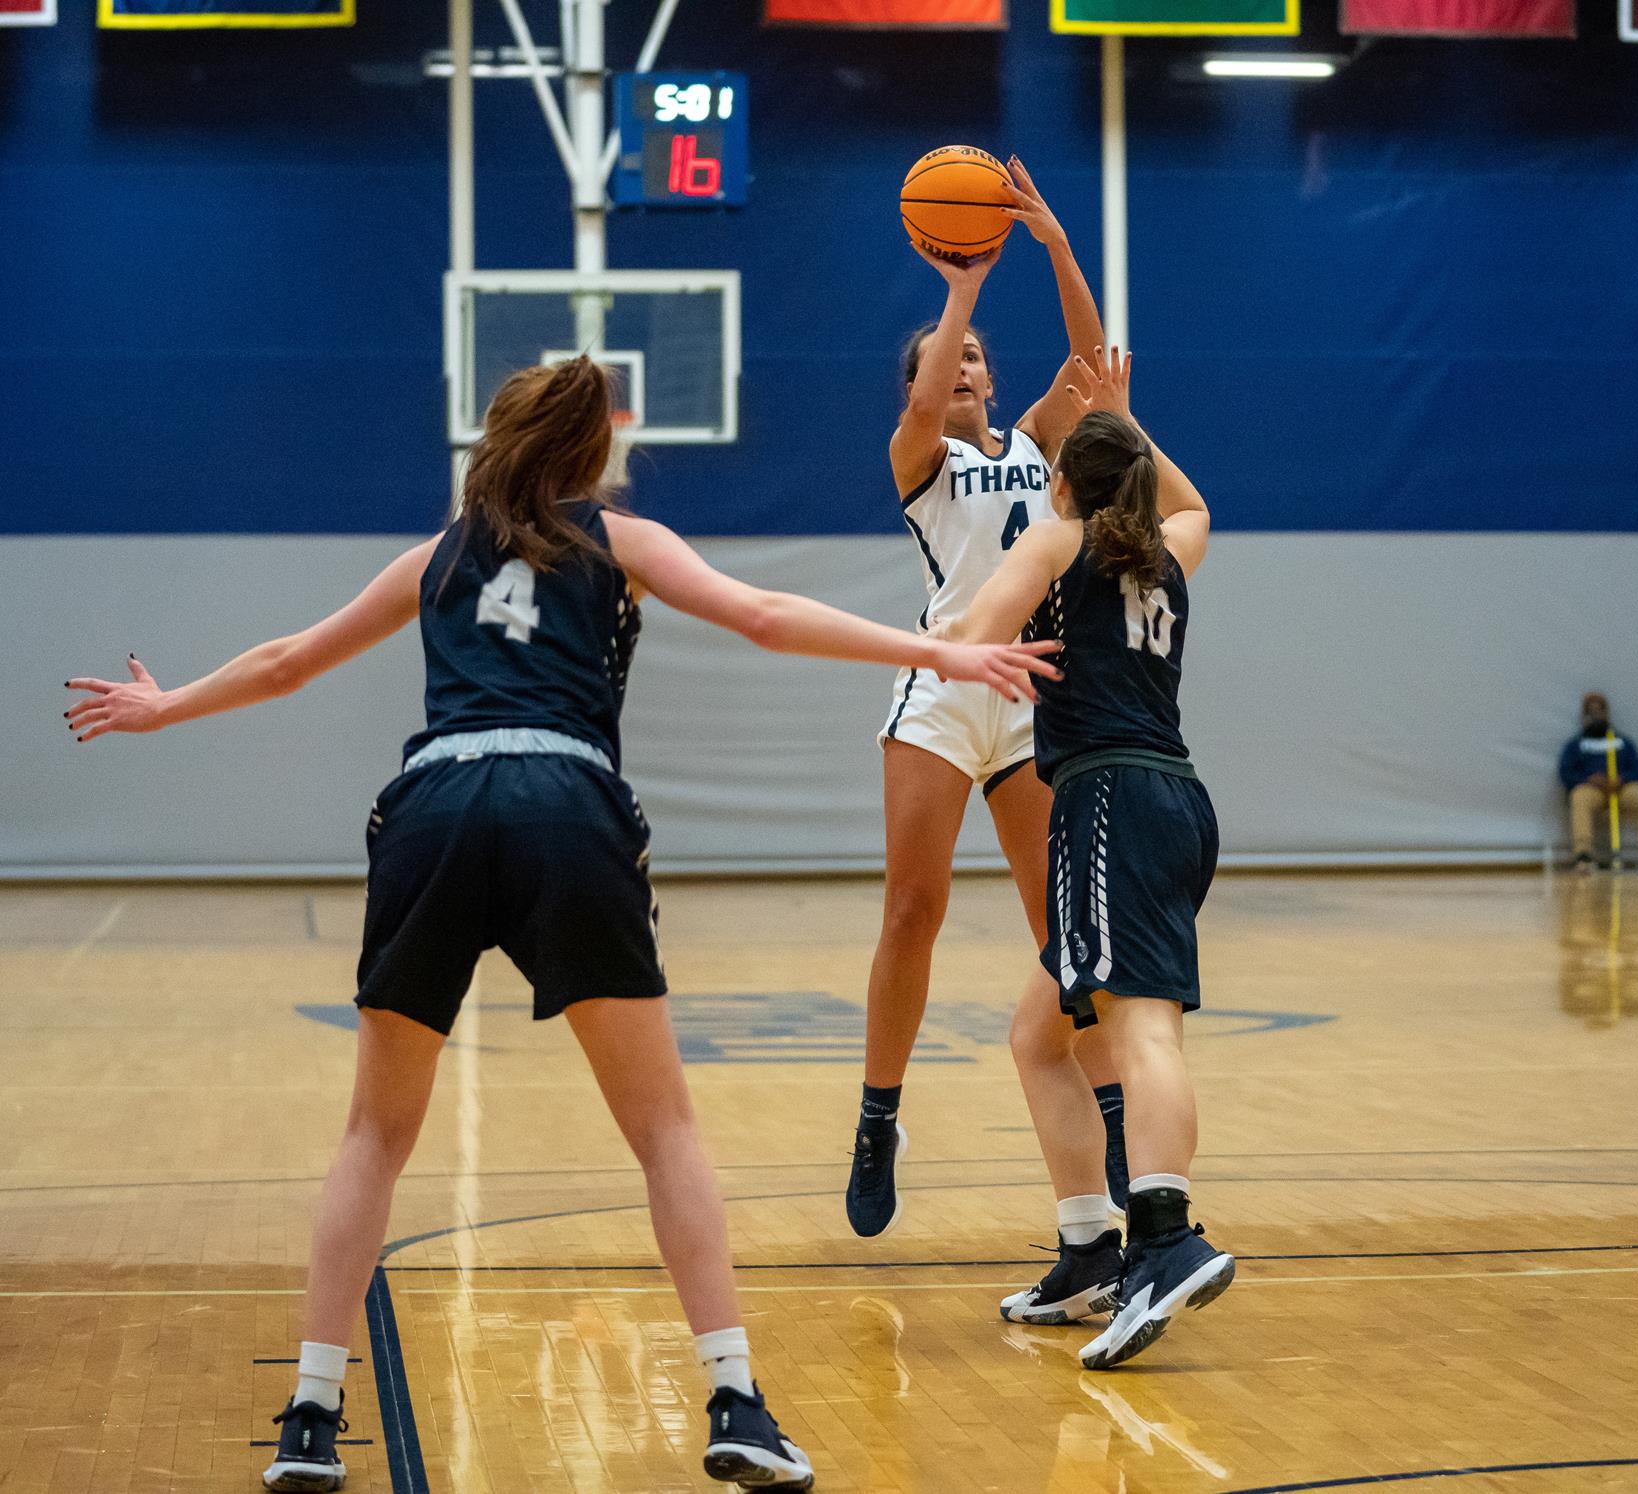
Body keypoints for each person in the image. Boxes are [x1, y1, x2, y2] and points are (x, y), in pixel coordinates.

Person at [62, 357, 1058, 1493]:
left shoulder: (435, 556)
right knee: (664, 1132)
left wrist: (166, 706)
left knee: (373, 1136)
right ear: (594, 452)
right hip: (563, 804)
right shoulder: (620, 541)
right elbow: (766, 617)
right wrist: (939, 650)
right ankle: (735, 1400)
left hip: (433, 807)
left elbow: (289, 662)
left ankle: (309, 1413)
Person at [851, 155, 1129, 1239]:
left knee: (1060, 927)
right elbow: (927, 394)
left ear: (997, 381)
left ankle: (1113, 1121)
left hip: (1030, 695)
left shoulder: (1040, 443)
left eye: (973, 355)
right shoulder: (915, 450)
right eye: (944, 357)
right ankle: (879, 1116)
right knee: (911, 910)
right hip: (942, 686)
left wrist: (1053, 246)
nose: (961, 363)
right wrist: (960, 284)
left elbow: (1092, 364)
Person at [954, 347, 1232, 1371]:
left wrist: (961, 634)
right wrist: (1125, 419)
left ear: (1062, 484)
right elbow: (1192, 505)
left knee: (1139, 1027)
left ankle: (1165, 1240)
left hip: (1107, 797)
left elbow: (972, 645)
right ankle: (1089, 1250)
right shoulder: (1165, 556)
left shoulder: (1052, 541)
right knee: (1041, 1037)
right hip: (1173, 800)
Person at [1558, 691, 1638, 873]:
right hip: (1593, 790)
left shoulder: (1623, 742)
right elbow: (1566, 773)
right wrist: (1588, 779)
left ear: (1606, 713)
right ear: (1585, 716)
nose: (1596, 716)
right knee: (1579, 797)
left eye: (1599, 711)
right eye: (1591, 712)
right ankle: (1583, 855)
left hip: (1621, 789)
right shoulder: (1576, 744)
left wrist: (1623, 779)